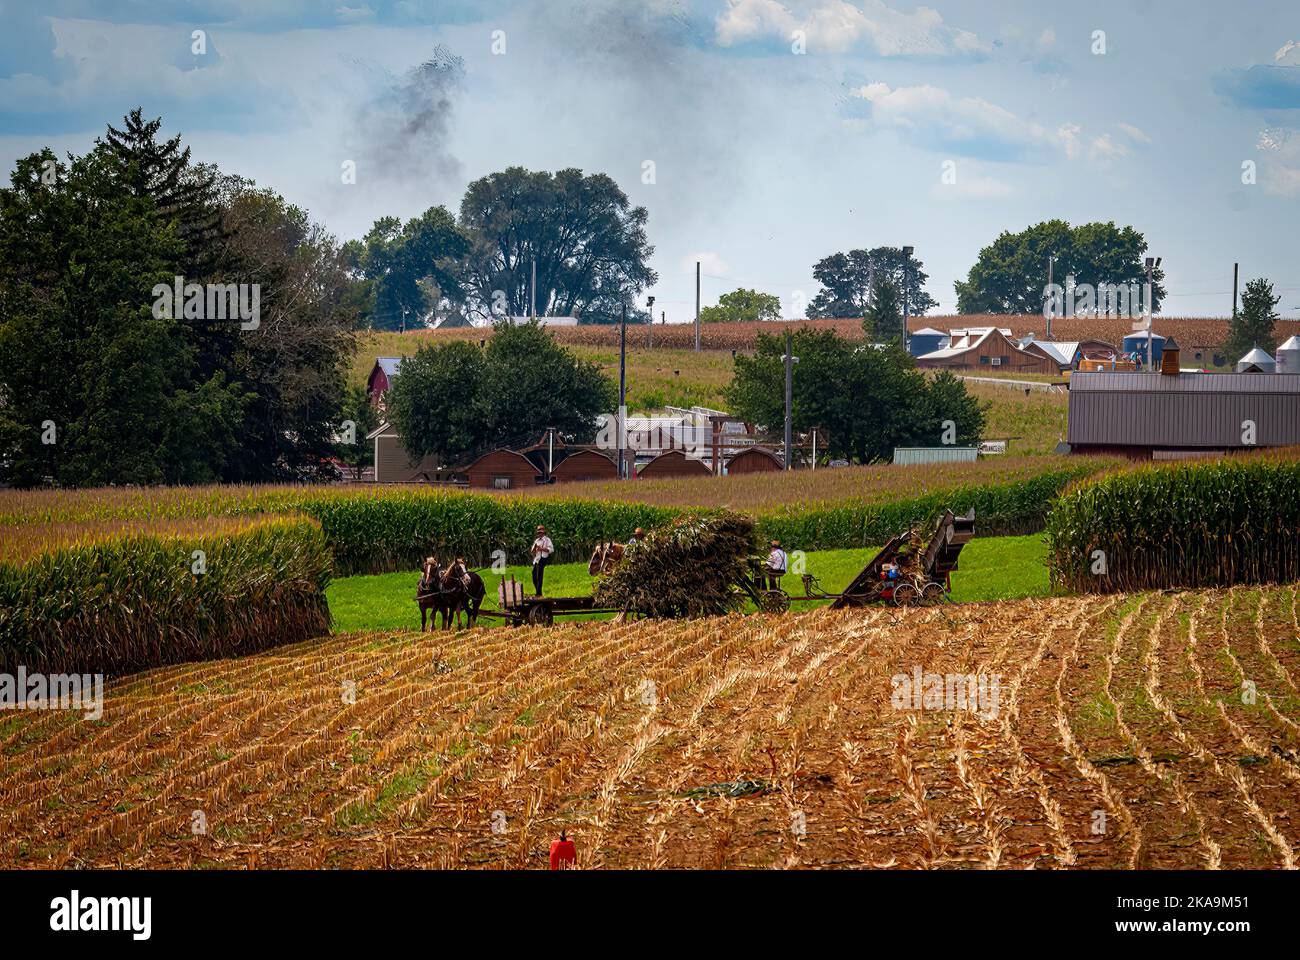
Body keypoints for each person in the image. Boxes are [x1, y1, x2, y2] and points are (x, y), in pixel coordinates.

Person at [530, 524, 554, 596]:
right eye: (538, 532)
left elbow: (551, 550)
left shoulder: (547, 540)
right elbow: (532, 552)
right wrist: (535, 548)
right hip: (537, 559)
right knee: (534, 575)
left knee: (539, 575)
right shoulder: (536, 540)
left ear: (543, 532)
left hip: (543, 558)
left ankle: (538, 593)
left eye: (540, 532)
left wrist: (541, 549)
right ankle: (538, 592)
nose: (539, 534)